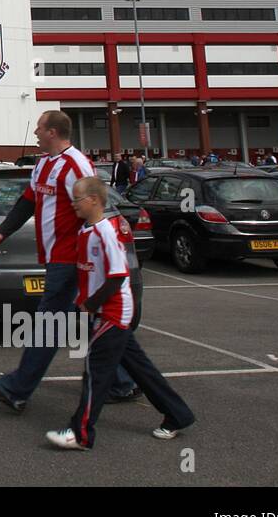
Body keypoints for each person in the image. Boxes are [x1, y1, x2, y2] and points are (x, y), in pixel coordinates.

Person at [0, 110, 137, 411]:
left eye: (39, 128)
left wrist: (92, 254)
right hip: (55, 256)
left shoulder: (76, 164)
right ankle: (123, 381)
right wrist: (3, 231)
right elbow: (29, 201)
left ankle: (17, 389)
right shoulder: (42, 164)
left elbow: (93, 207)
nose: (35, 132)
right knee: (96, 319)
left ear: (52, 132)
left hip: (72, 258)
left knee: (50, 322)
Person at [45, 176, 195, 450]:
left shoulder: (106, 233)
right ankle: (178, 414)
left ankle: (81, 434)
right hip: (104, 313)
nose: (74, 204)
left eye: (78, 199)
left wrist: (91, 305)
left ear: (93, 200)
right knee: (141, 369)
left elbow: (117, 276)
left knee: (95, 372)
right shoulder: (86, 232)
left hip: (112, 313)